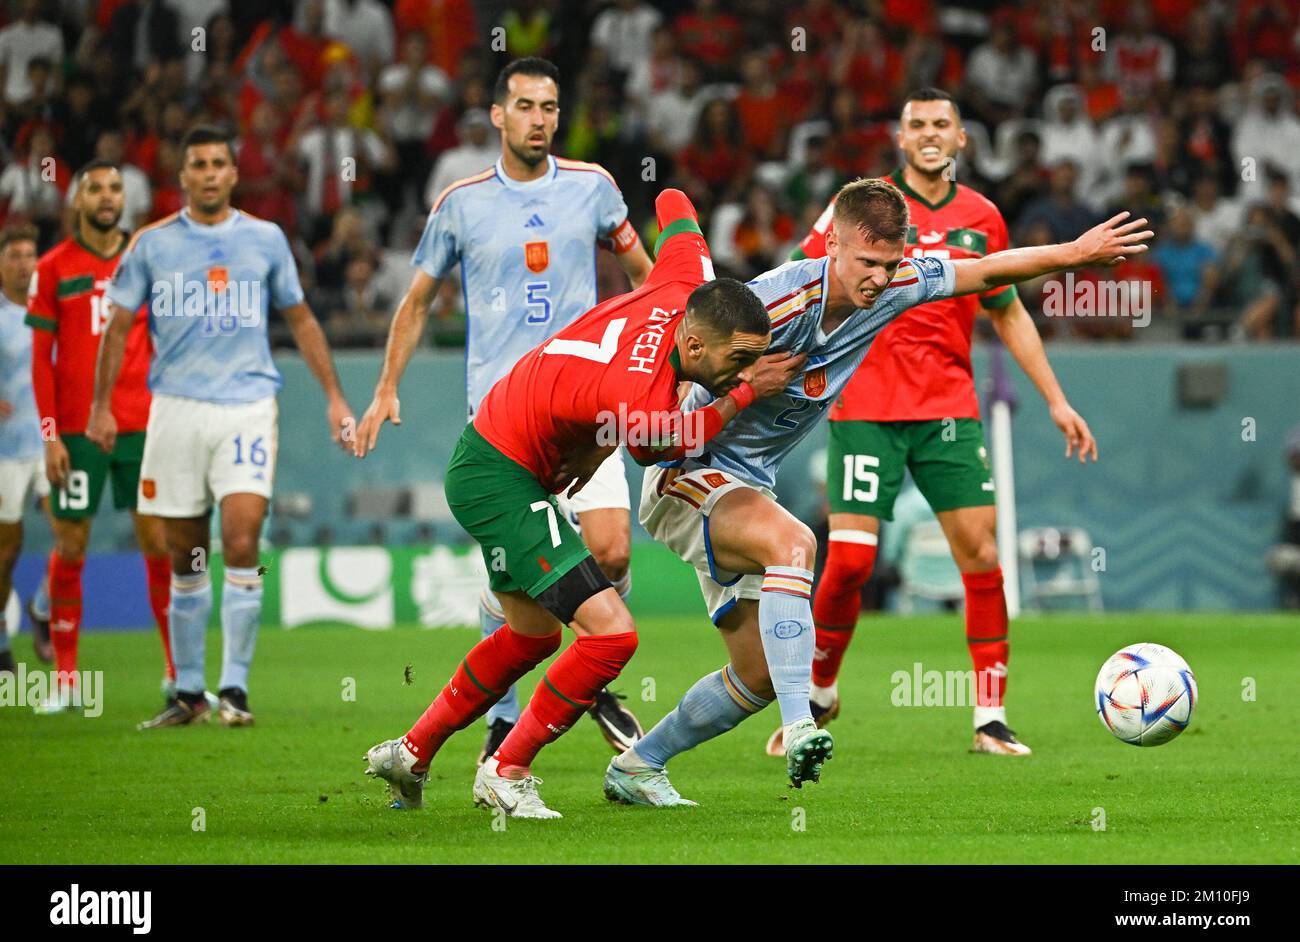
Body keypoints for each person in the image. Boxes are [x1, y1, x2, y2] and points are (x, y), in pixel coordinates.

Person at [604, 177, 1150, 807]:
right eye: (866, 263)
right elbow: (676, 349)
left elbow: (985, 271)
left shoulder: (896, 286)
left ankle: (639, 764)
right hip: (685, 470)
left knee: (751, 675)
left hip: (745, 486)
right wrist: (741, 385)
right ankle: (804, 720)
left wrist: (1074, 254)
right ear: (830, 243)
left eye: (889, 264)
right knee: (797, 542)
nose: (877, 279)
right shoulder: (771, 305)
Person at [356, 187, 800, 819]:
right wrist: (750, 392)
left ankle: (411, 750)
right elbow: (662, 447)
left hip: (501, 458)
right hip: (500, 474)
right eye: (739, 359)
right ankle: (506, 769)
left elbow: (673, 201)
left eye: (751, 361)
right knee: (612, 637)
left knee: (531, 636)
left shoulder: (683, 279)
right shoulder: (640, 392)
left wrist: (695, 264)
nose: (742, 370)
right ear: (696, 347)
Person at [780, 88, 1100, 757]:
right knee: (849, 565)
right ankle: (816, 693)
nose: (929, 134)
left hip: (947, 407)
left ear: (961, 140)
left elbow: (1006, 309)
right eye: (917, 124)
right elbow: (804, 278)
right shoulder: (860, 206)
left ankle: (988, 717)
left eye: (941, 125)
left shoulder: (982, 216)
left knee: (982, 556)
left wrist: (1057, 398)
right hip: (865, 403)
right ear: (900, 138)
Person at [384, 57, 654, 763]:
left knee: (613, 548)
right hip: (505, 423)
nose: (540, 119)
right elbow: (416, 302)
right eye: (527, 106)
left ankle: (588, 677)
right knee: (520, 604)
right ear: (497, 116)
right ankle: (504, 722)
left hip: (586, 405)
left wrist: (653, 353)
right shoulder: (461, 203)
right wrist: (387, 387)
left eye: (551, 107)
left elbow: (646, 276)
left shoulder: (594, 189)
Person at [89, 125, 354, 729]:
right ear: (181, 177)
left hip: (247, 406)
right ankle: (187, 692)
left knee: (239, 538)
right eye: (198, 165)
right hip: (175, 409)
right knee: (186, 553)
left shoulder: (264, 240)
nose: (209, 173)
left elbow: (302, 319)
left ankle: (234, 687)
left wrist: (335, 397)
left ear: (234, 174)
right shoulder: (152, 245)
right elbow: (118, 326)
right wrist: (101, 406)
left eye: (218, 164)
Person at [25, 160, 177, 714]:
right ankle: (66, 679)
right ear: (78, 200)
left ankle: (175, 675)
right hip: (76, 430)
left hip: (144, 424)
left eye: (116, 187)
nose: (108, 197)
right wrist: (49, 435)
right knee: (71, 545)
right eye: (96, 188)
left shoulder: (149, 261)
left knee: (158, 545)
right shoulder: (53, 268)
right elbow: (42, 361)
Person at [0, 224, 45, 677]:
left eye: (30, 255)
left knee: (73, 531)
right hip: (6, 449)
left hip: (52, 445)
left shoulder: (49, 310)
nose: (23, 263)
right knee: (6, 551)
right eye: (14, 255)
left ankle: (44, 606)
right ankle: (0, 644)